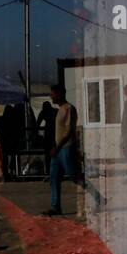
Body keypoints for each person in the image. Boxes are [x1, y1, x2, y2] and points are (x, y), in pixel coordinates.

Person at [46, 84, 80, 215]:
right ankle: (55, 206)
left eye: (52, 94)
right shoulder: (60, 110)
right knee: (53, 177)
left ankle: (98, 198)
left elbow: (68, 131)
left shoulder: (69, 109)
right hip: (58, 149)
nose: (51, 97)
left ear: (59, 94)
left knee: (74, 176)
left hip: (65, 148)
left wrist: (58, 147)